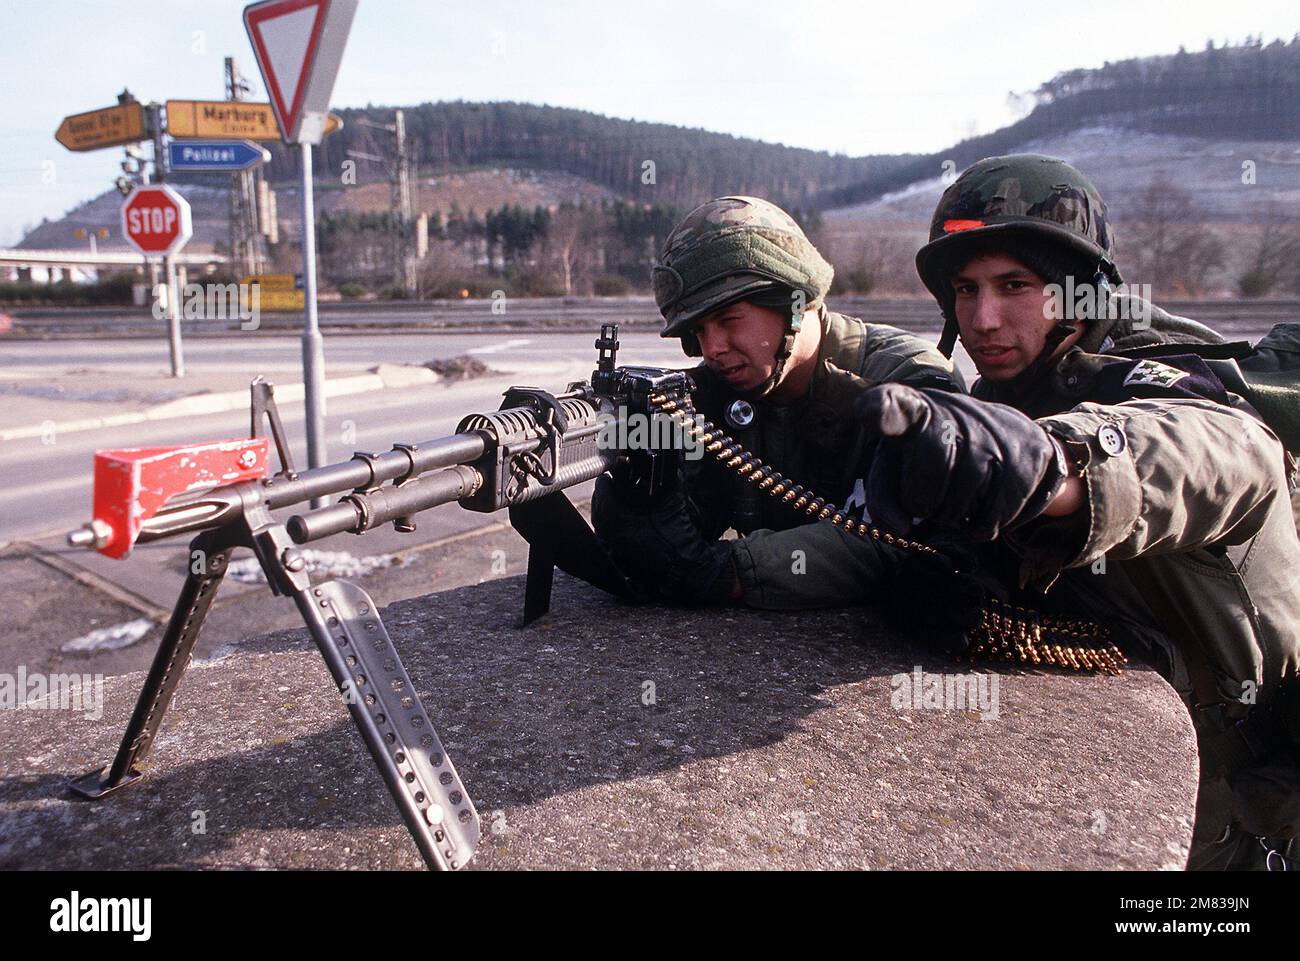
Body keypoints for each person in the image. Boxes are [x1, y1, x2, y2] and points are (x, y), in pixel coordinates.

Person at [853, 153, 1300, 870]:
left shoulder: (1170, 387)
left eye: (1014, 286)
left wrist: (1052, 465)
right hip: (1138, 779)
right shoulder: (1003, 403)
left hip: (1255, 807)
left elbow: (1218, 452)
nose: (983, 318)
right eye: (965, 291)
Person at [591, 195, 964, 610]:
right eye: (697, 331)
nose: (712, 348)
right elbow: (688, 527)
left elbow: (903, 538)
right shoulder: (714, 391)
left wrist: (732, 574)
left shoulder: (908, 380)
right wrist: (643, 493)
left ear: (794, 302)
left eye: (730, 319)